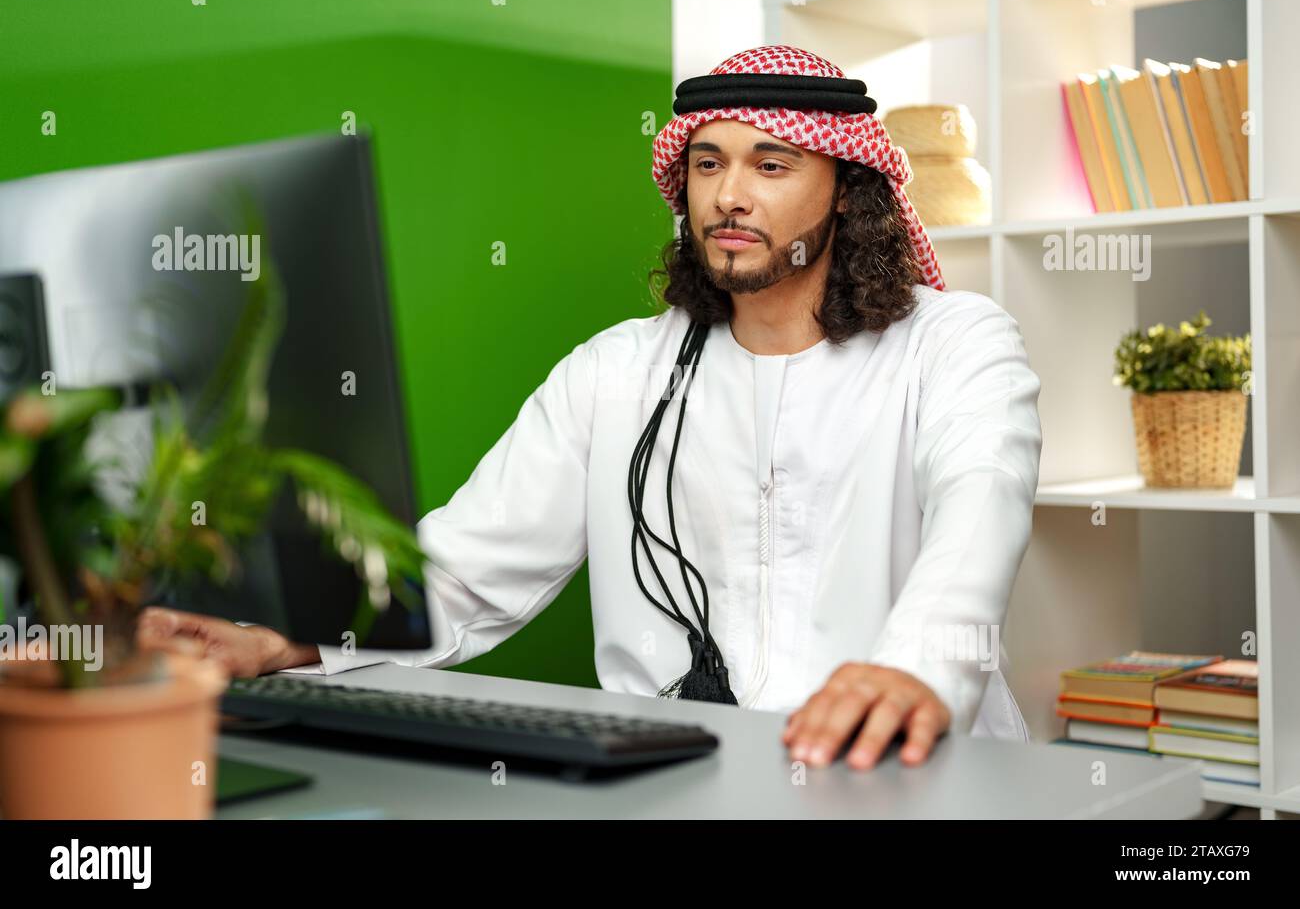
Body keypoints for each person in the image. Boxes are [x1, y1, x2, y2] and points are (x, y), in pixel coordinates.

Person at [138, 45, 1043, 772]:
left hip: (912, 769)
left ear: (848, 190)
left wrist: (912, 673)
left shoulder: (953, 343)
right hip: (687, 782)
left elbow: (981, 504)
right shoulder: (616, 370)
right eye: (708, 164)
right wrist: (281, 642)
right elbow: (462, 573)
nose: (729, 194)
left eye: (772, 164)